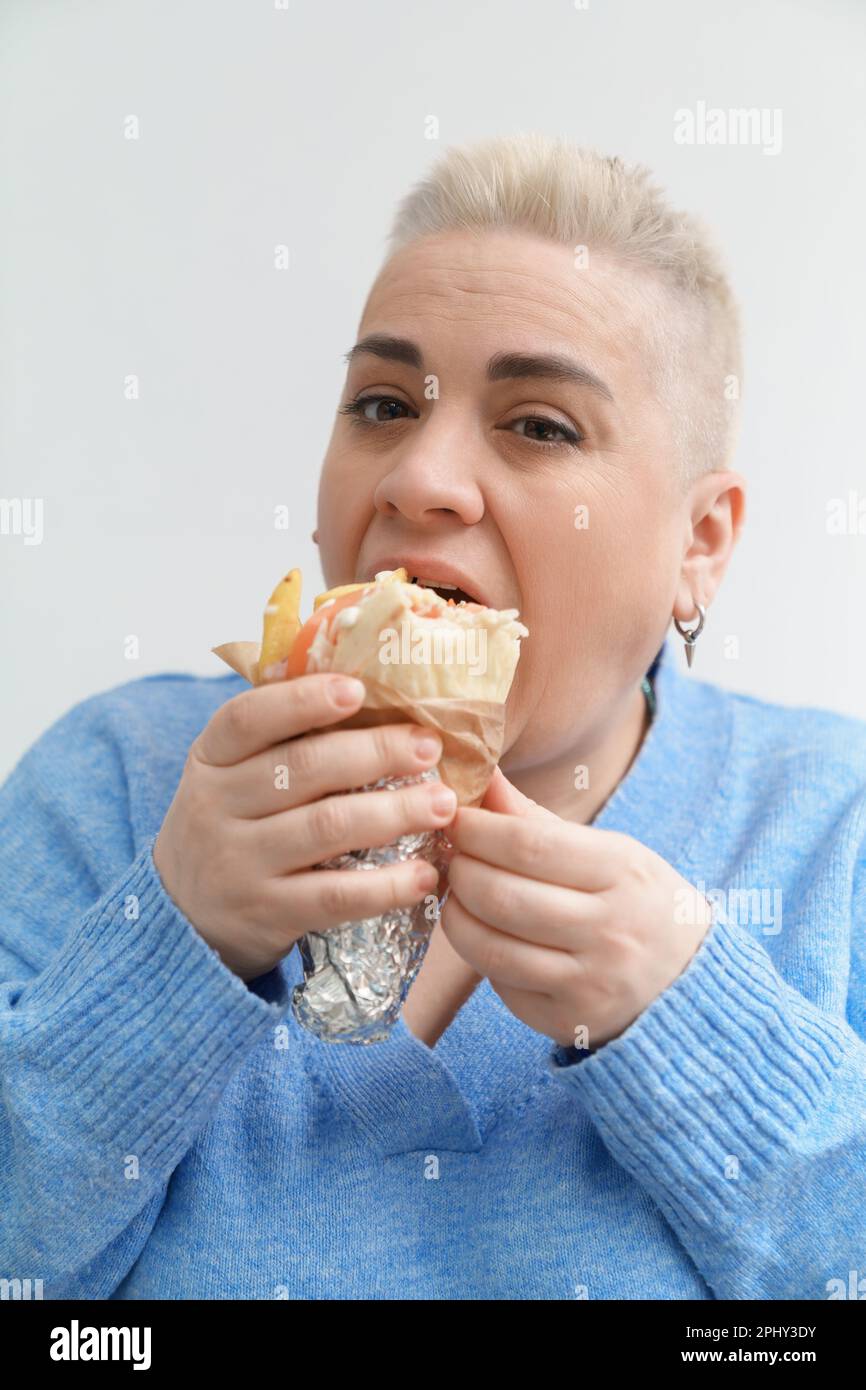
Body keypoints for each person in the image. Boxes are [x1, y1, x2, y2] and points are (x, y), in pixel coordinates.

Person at [2, 133, 864, 1301]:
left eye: (538, 425)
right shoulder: (111, 781)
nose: (418, 477)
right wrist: (171, 946)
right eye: (382, 403)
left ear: (698, 544)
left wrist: (690, 1022)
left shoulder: (831, 829)